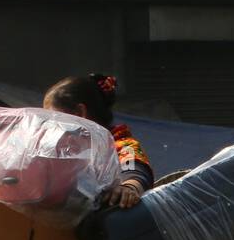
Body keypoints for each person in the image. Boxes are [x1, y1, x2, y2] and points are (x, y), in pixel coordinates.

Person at [43, 73, 153, 208]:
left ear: (79, 113)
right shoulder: (64, 150)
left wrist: (128, 188)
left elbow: (136, 172)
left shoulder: (120, 145)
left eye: (55, 119)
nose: (51, 127)